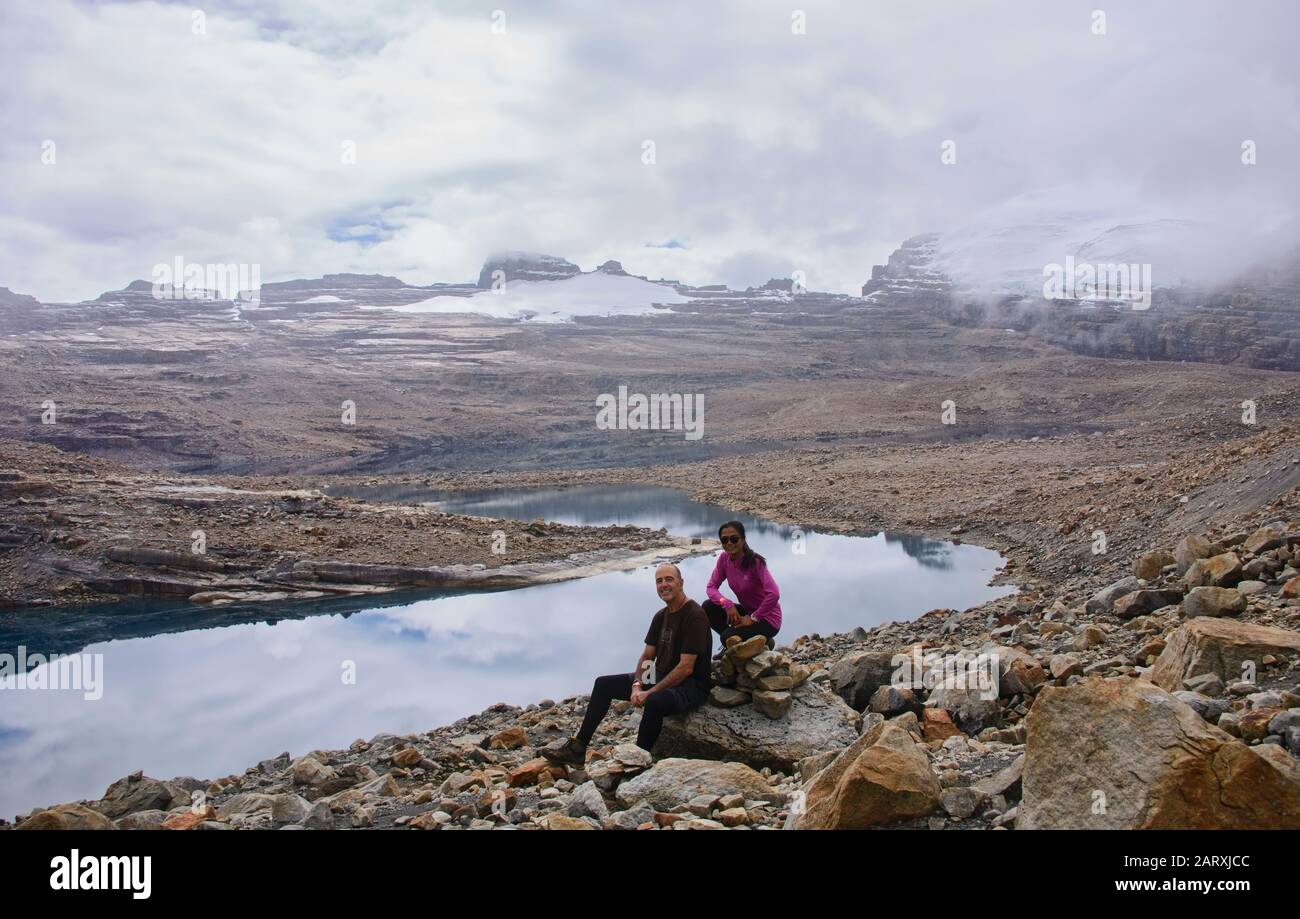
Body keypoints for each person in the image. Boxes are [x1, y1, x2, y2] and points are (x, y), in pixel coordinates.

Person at [542, 563, 712, 764]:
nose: (664, 585)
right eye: (659, 581)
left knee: (655, 702)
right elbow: (648, 656)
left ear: (681, 582)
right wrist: (637, 685)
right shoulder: (661, 616)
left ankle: (635, 762)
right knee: (604, 684)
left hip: (690, 686)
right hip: (661, 675)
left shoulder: (694, 615)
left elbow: (686, 668)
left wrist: (649, 693)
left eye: (669, 579)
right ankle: (578, 747)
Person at [702, 520, 782, 651]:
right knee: (708, 607)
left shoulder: (755, 562)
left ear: (743, 539)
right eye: (724, 540)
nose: (729, 543)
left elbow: (774, 594)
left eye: (734, 539)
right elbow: (711, 587)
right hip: (747, 613)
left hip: (767, 619)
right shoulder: (724, 559)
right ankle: (748, 639)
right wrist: (726, 603)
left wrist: (754, 618)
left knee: (726, 637)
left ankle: (760, 640)